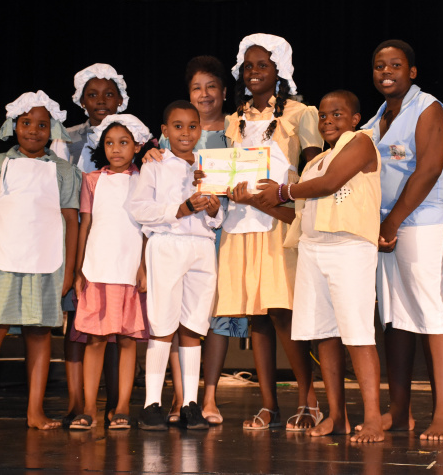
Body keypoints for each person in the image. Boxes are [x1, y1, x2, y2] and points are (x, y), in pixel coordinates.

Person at [0, 91, 81, 433]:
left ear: (52, 129)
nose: (34, 131)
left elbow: (71, 222)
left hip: (45, 262)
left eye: (41, 124)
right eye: (26, 123)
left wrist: (69, 271)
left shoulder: (65, 172)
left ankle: (35, 411)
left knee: (38, 335)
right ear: (13, 125)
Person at [257, 90, 384, 442]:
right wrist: (260, 201)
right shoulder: (314, 164)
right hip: (313, 248)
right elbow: (296, 214)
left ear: (356, 118)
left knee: (358, 334)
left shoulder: (362, 143)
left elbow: (330, 185)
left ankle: (373, 418)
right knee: (325, 335)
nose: (329, 120)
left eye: (337, 114)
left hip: (348, 247)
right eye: (324, 116)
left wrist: (283, 190)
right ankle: (336, 416)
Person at [218, 33, 322, 431]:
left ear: (280, 70)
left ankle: (308, 400)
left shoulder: (300, 113)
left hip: (280, 222)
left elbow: (314, 169)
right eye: (248, 66)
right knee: (256, 316)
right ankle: (268, 404)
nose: (254, 72)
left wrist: (282, 202)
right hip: (242, 224)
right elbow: (227, 168)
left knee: (283, 312)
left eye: (262, 65)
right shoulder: (234, 119)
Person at [360, 39, 443, 441]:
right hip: (386, 228)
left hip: (425, 222)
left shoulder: (428, 107)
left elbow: (430, 168)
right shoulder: (373, 121)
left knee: (432, 312)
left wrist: (393, 221)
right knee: (396, 317)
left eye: (396, 64)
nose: (387, 71)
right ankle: (399, 413)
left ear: (411, 72)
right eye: (380, 65)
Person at [159, 55, 249, 425]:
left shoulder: (237, 132)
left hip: (220, 233)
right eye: (197, 87)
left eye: (212, 86)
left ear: (225, 92)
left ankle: (208, 396)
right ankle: (182, 397)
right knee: (177, 315)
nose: (204, 94)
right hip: (178, 237)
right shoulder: (169, 137)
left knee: (215, 318)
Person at [129, 101, 224, 430]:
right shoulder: (154, 165)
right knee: (163, 324)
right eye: (178, 126)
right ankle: (152, 403)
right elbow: (140, 209)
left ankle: (190, 404)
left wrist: (212, 209)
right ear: (165, 131)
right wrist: (181, 208)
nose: (186, 133)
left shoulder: (207, 167)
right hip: (167, 245)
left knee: (194, 326)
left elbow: (217, 218)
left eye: (192, 126)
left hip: (201, 247)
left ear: (201, 130)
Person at [50, 63, 129, 427]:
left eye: (109, 93)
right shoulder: (66, 138)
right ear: (81, 99)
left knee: (115, 326)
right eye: (93, 94)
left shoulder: (131, 135)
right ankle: (77, 401)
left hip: (117, 247)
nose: (101, 100)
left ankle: (115, 402)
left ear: (121, 98)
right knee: (78, 324)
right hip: (77, 240)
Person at [69, 115, 153, 431]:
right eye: (109, 143)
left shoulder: (143, 179)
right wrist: (79, 270)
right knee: (95, 339)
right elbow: (86, 225)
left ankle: (121, 407)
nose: (116, 149)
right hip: (97, 269)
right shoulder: (92, 180)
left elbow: (147, 228)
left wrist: (144, 267)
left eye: (123, 143)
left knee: (129, 340)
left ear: (136, 146)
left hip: (129, 270)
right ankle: (89, 408)